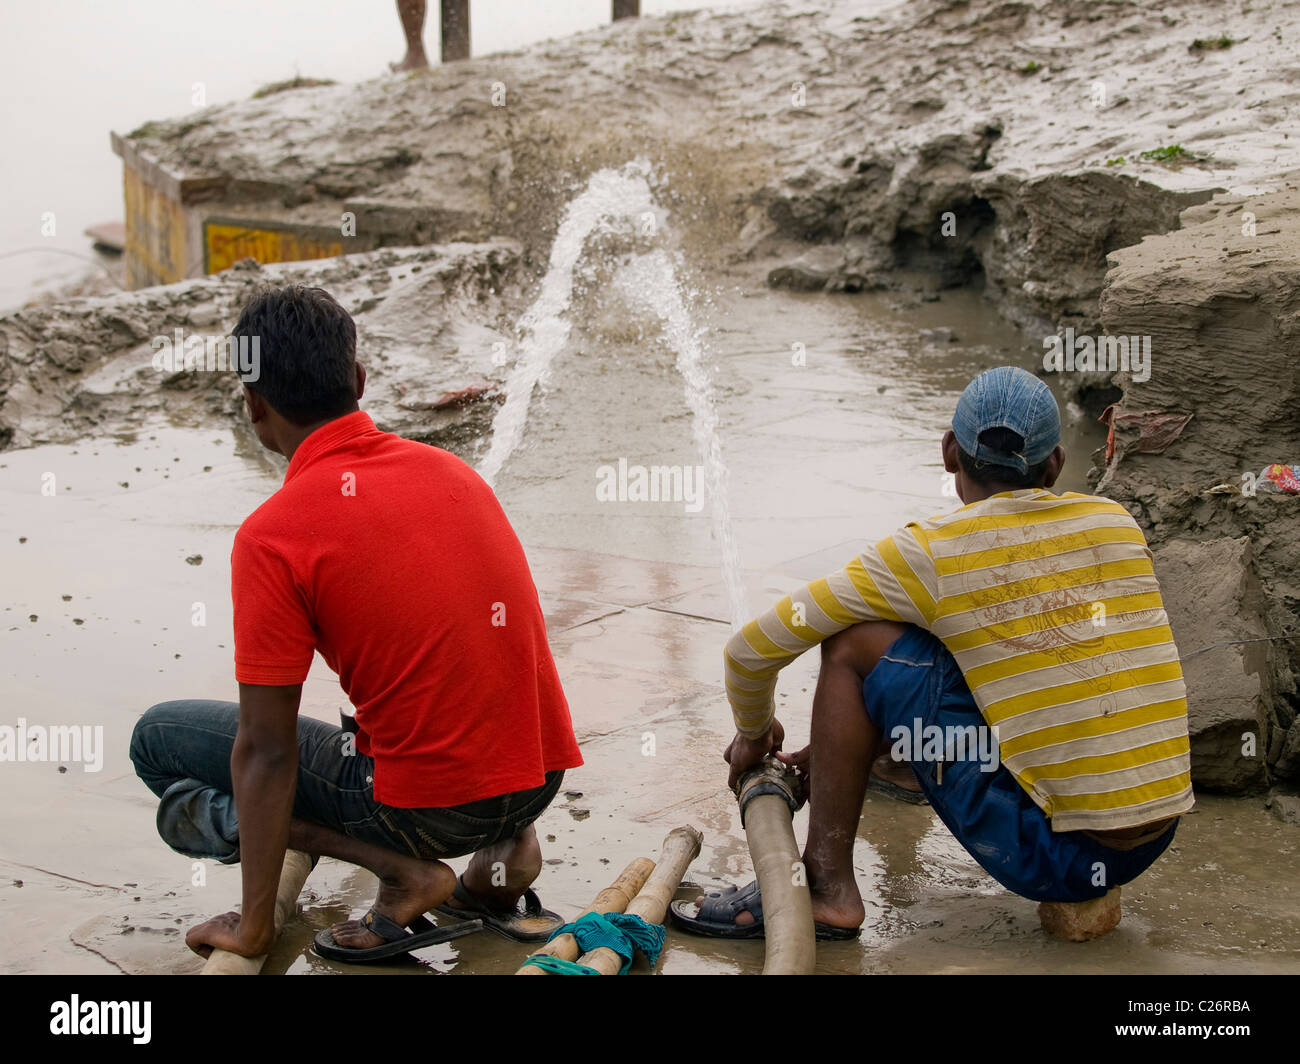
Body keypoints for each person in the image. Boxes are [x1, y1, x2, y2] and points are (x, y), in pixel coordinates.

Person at [130, 284, 582, 963]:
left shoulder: (274, 535)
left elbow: (265, 751)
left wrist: (254, 928)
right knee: (383, 717)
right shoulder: (454, 473)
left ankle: (403, 870)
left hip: (428, 811)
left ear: (255, 407)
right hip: (536, 779)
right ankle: (505, 851)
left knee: (160, 739)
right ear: (360, 381)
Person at [672, 365, 1193, 939]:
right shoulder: (1115, 522)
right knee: (971, 636)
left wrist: (753, 732)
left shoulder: (930, 553)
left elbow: (750, 651)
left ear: (949, 453)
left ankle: (825, 889)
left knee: (854, 642)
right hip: (1158, 834)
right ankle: (900, 763)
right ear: (1055, 465)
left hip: (1055, 856)